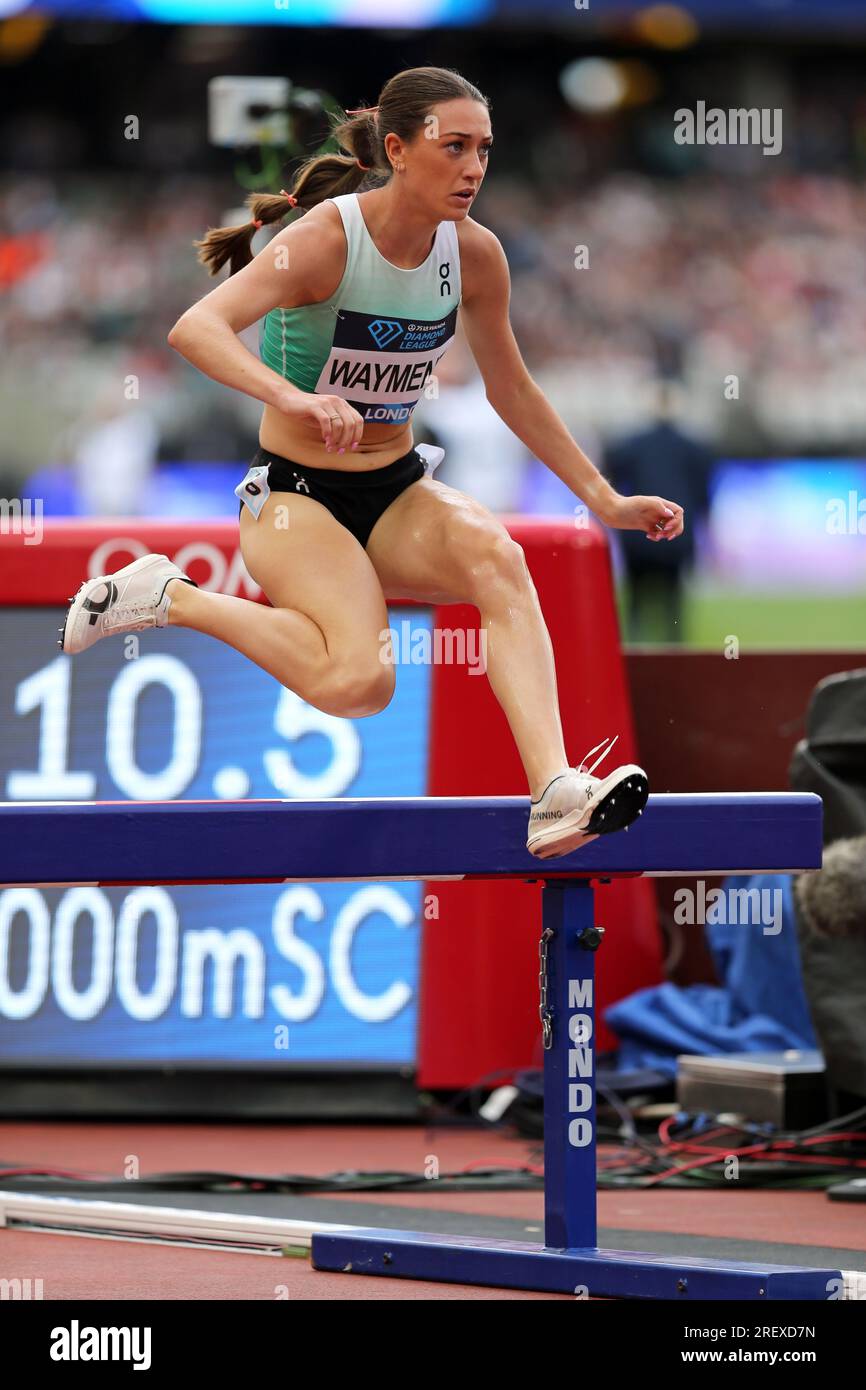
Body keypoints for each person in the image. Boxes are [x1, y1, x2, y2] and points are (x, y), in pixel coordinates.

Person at [59, 65, 684, 859]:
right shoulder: (325, 239)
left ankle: (555, 789)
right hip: (295, 496)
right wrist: (294, 401)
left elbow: (513, 390)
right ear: (397, 148)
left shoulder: (476, 256)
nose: (474, 169)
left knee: (500, 557)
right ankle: (171, 598)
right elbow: (197, 329)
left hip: (395, 491)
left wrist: (606, 497)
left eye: (484, 150)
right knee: (361, 685)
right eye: (453, 147)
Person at [604, 379, 711, 643]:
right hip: (677, 535)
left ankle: (632, 657)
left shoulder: (630, 444)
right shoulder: (695, 447)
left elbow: (611, 478)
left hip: (638, 533)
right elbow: (704, 495)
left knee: (636, 602)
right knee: (673, 602)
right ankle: (675, 654)